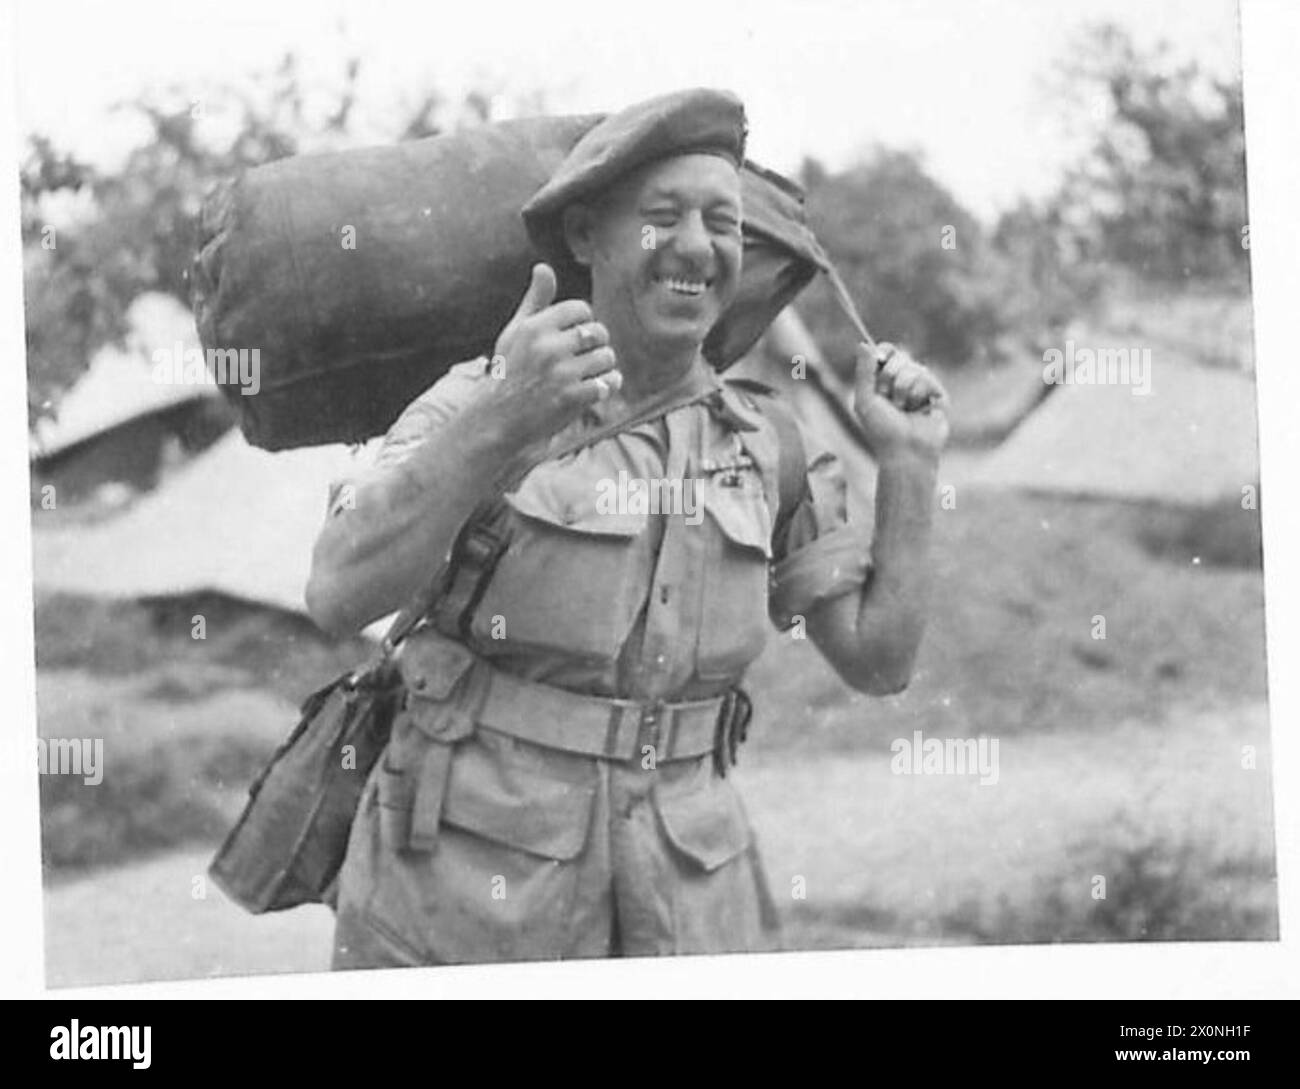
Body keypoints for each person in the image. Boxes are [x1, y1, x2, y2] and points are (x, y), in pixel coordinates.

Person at [305, 87, 949, 967]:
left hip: (687, 903)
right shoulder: (485, 394)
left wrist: (909, 466)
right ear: (585, 239)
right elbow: (338, 592)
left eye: (722, 222)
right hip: (468, 902)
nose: (695, 246)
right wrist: (504, 416)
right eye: (661, 217)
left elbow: (880, 661)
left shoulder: (769, 444)